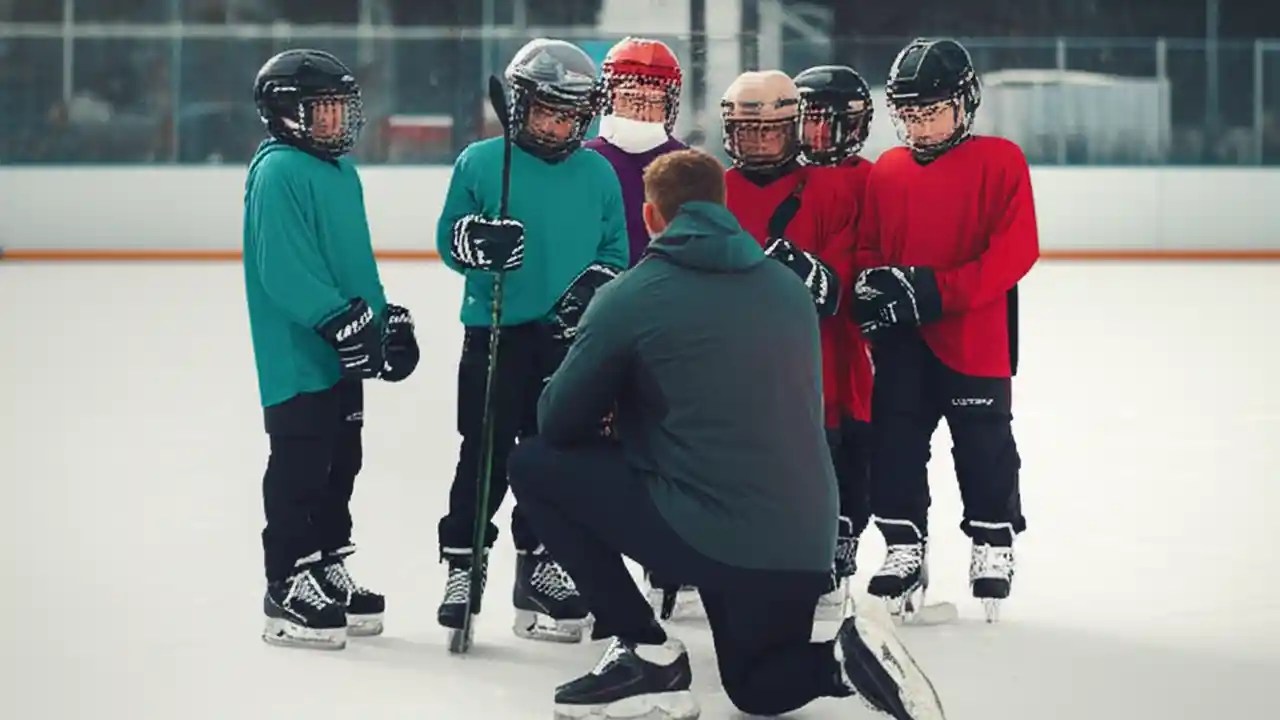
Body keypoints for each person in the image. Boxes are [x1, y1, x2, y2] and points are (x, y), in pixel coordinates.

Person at [506, 148, 945, 720]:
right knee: (757, 688)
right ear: (724, 205)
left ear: (650, 217)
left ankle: (646, 651)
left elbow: (558, 423)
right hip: (801, 536)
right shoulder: (787, 289)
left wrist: (588, 362)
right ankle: (844, 657)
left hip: (711, 524)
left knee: (534, 465)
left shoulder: (631, 296)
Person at [433, 37, 629, 643]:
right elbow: (447, 238)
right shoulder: (481, 162)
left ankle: (542, 560)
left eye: (571, 113)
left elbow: (615, 252)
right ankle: (464, 562)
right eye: (548, 110)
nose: (559, 124)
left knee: (554, 457)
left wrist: (589, 292)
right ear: (518, 105)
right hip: (494, 333)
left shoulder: (597, 170)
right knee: (484, 452)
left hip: (568, 343)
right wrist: (473, 241)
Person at [852, 37, 1039, 623]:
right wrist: (870, 290)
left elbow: (1016, 252)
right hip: (904, 341)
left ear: (966, 102)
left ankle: (992, 539)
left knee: (984, 446)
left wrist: (939, 291)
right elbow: (869, 248)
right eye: (909, 114)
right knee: (895, 446)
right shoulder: (887, 169)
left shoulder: (1001, 160)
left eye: (932, 111)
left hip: (975, 339)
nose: (921, 125)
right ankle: (904, 544)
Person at [244, 48, 420, 650]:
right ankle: (286, 582)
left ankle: (324, 562)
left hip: (341, 352)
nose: (337, 121)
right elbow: (283, 269)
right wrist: (337, 321)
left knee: (341, 462)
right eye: (325, 110)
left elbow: (352, 265)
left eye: (342, 108)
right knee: (298, 465)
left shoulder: (340, 173)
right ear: (289, 114)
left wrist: (380, 320)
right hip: (299, 355)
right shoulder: (278, 172)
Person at [719, 69, 862, 621]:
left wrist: (813, 275)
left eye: (769, 131)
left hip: (808, 367)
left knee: (811, 469)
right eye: (746, 131)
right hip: (733, 367)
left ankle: (816, 559)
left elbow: (841, 289)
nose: (756, 142)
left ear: (794, 129)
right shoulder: (715, 188)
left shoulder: (827, 191)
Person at [583, 35, 700, 620]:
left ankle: (672, 556)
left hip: (668, 330)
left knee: (668, 444)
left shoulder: (690, 169)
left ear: (671, 104)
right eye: (629, 98)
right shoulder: (584, 162)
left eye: (652, 100)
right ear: (608, 96)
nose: (640, 111)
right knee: (599, 448)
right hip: (601, 326)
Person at [792, 63, 879, 618]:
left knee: (852, 440)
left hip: (847, 339)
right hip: (795, 342)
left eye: (831, 124)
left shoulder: (870, 180)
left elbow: (873, 250)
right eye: (809, 123)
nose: (818, 136)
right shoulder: (782, 177)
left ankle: (844, 536)